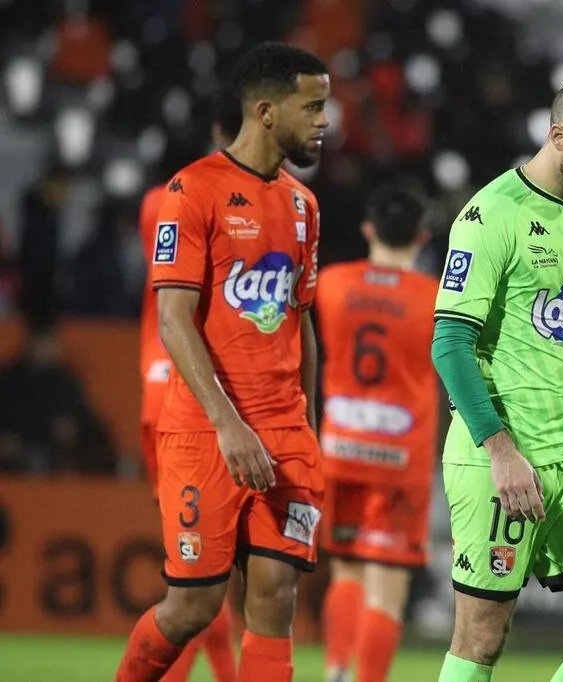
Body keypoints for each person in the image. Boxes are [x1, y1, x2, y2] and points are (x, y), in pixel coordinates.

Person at [115, 41, 329, 682]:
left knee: (276, 597)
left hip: (284, 431)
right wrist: (228, 422)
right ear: (267, 111)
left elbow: (303, 320)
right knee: (192, 607)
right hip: (207, 433)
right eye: (312, 107)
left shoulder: (303, 206)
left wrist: (308, 424)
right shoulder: (193, 190)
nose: (324, 121)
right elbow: (173, 318)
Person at [432, 76, 563, 682]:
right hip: (507, 457)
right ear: (558, 135)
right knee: (481, 637)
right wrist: (500, 451)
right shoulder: (490, 215)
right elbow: (449, 344)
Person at [135, 87, 242, 682]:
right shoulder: (208, 196)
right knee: (206, 568)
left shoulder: (159, 199)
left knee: (191, 561)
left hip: (160, 385)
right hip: (203, 388)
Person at [315, 185, 438, 682]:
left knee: (344, 569)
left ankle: (336, 670)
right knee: (387, 587)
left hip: (340, 447)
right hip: (399, 456)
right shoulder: (433, 298)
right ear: (422, 237)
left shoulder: (331, 283)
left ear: (368, 230)